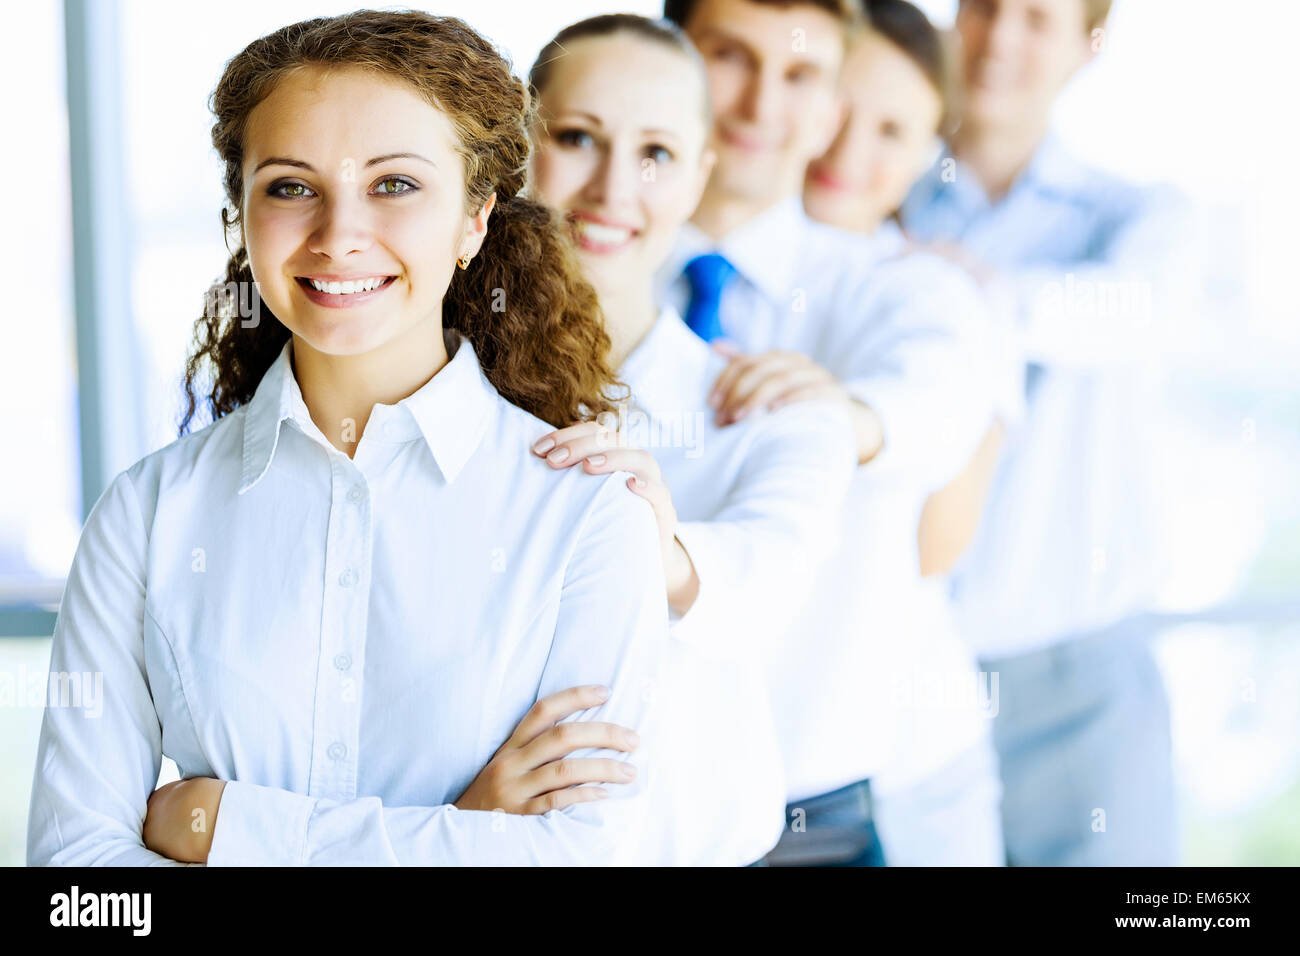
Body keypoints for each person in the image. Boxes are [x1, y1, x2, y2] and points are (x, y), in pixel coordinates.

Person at [27, 9, 672, 867]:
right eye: (291, 187)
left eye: (394, 184)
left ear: (475, 219)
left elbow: (590, 857)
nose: (338, 238)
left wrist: (228, 830)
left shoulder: (586, 515)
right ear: (242, 215)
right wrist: (468, 824)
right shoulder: (146, 515)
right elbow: (79, 883)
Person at [660, 0, 996, 865]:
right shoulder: (565, 277)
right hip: (612, 807)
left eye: (802, 76)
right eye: (727, 58)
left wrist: (844, 419)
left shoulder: (905, 289)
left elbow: (941, 401)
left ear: (825, 103)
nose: (762, 105)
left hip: (810, 818)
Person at [526, 13, 857, 866]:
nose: (611, 190)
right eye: (576, 137)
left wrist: (655, 542)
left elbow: (766, 582)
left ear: (699, 175)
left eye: (657, 155)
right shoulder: (424, 392)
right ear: (517, 144)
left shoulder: (781, 416)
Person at [900, 0, 1197, 865]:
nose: (1000, 39)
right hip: (916, 673)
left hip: (1083, 678)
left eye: (1038, 17)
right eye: (984, 8)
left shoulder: (1139, 218)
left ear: (1089, 46)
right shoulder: (886, 202)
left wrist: (970, 293)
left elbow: (1127, 313)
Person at [799, 0, 1012, 866]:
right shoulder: (694, 266)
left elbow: (937, 542)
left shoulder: (951, 301)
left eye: (892, 129)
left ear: (933, 152)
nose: (851, 152)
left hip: (909, 759)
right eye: (838, 111)